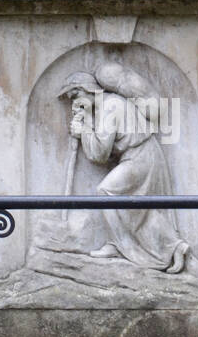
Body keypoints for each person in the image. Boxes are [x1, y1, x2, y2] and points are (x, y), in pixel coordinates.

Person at [54, 66, 188, 273]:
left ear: (89, 90)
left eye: (76, 95)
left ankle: (125, 245)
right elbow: (100, 150)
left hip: (140, 157)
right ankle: (170, 247)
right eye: (72, 99)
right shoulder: (104, 106)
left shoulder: (110, 106)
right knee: (137, 210)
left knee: (106, 192)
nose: (75, 102)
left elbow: (99, 155)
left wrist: (83, 131)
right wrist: (87, 123)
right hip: (139, 156)